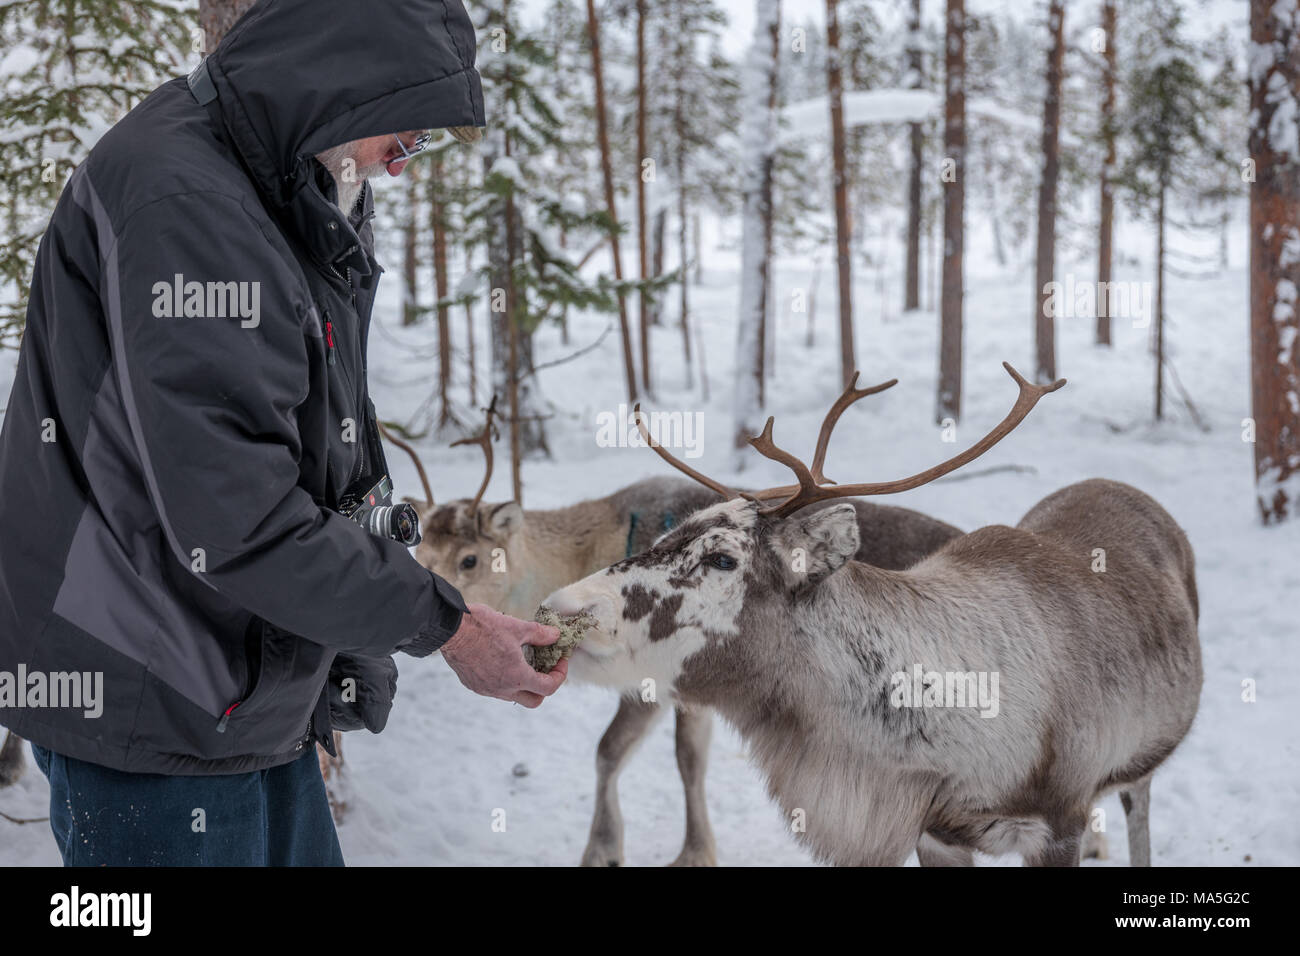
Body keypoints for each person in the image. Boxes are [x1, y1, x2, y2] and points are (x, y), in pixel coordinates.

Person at [0, 0, 564, 867]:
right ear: (344, 85)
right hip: (154, 704)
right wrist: (446, 627)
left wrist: (335, 673)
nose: (404, 167)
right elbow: (242, 519)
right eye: (403, 138)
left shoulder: (287, 181)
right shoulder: (187, 203)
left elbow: (320, 439)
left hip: (233, 691)